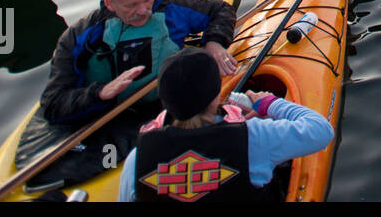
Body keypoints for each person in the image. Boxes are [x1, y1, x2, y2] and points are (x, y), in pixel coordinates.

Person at [117, 47, 334, 202]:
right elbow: (321, 130)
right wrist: (269, 103)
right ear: (216, 95)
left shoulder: (138, 158)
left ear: (164, 101)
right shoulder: (255, 137)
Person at [40, 0, 237, 128]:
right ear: (109, 3)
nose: (143, 11)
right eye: (131, 5)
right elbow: (52, 104)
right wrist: (100, 93)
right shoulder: (78, 36)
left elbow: (220, 10)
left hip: (171, 107)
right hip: (109, 117)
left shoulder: (170, 5)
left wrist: (214, 41)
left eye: (147, 0)